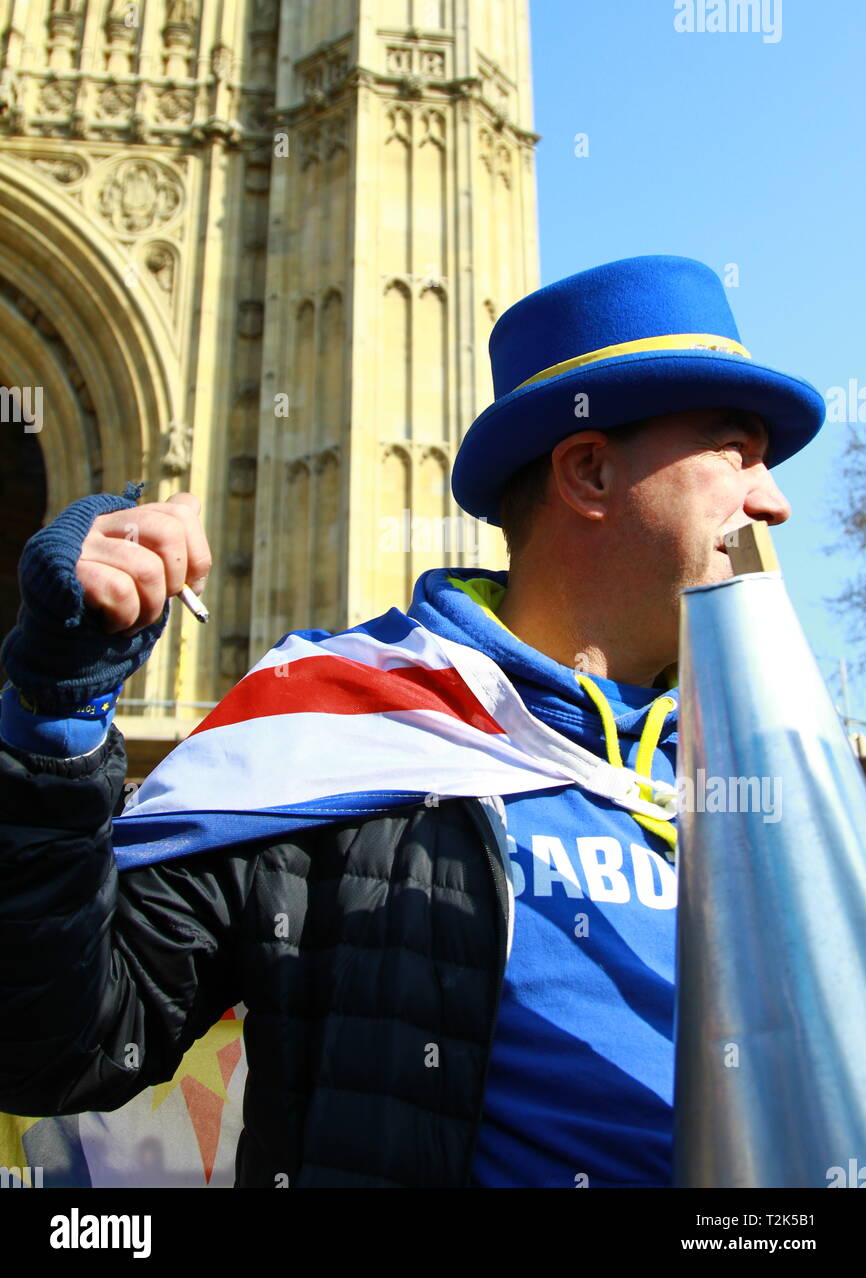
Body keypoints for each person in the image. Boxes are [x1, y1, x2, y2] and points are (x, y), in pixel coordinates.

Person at [0, 255, 825, 1188]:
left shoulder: (775, 785)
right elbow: (53, 1045)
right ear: (589, 469)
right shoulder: (331, 728)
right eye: (735, 453)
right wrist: (58, 707)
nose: (774, 500)